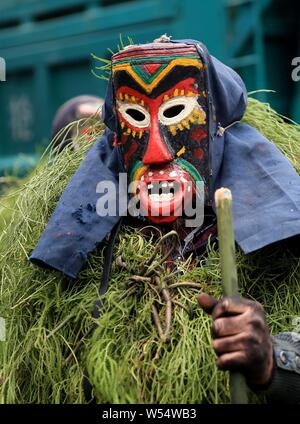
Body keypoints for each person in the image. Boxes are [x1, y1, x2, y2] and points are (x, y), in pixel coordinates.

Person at [30, 37, 300, 403]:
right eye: (136, 117)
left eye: (175, 113)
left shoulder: (283, 250)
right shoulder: (87, 248)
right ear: (118, 142)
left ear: (217, 128)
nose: (156, 153)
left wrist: (273, 360)